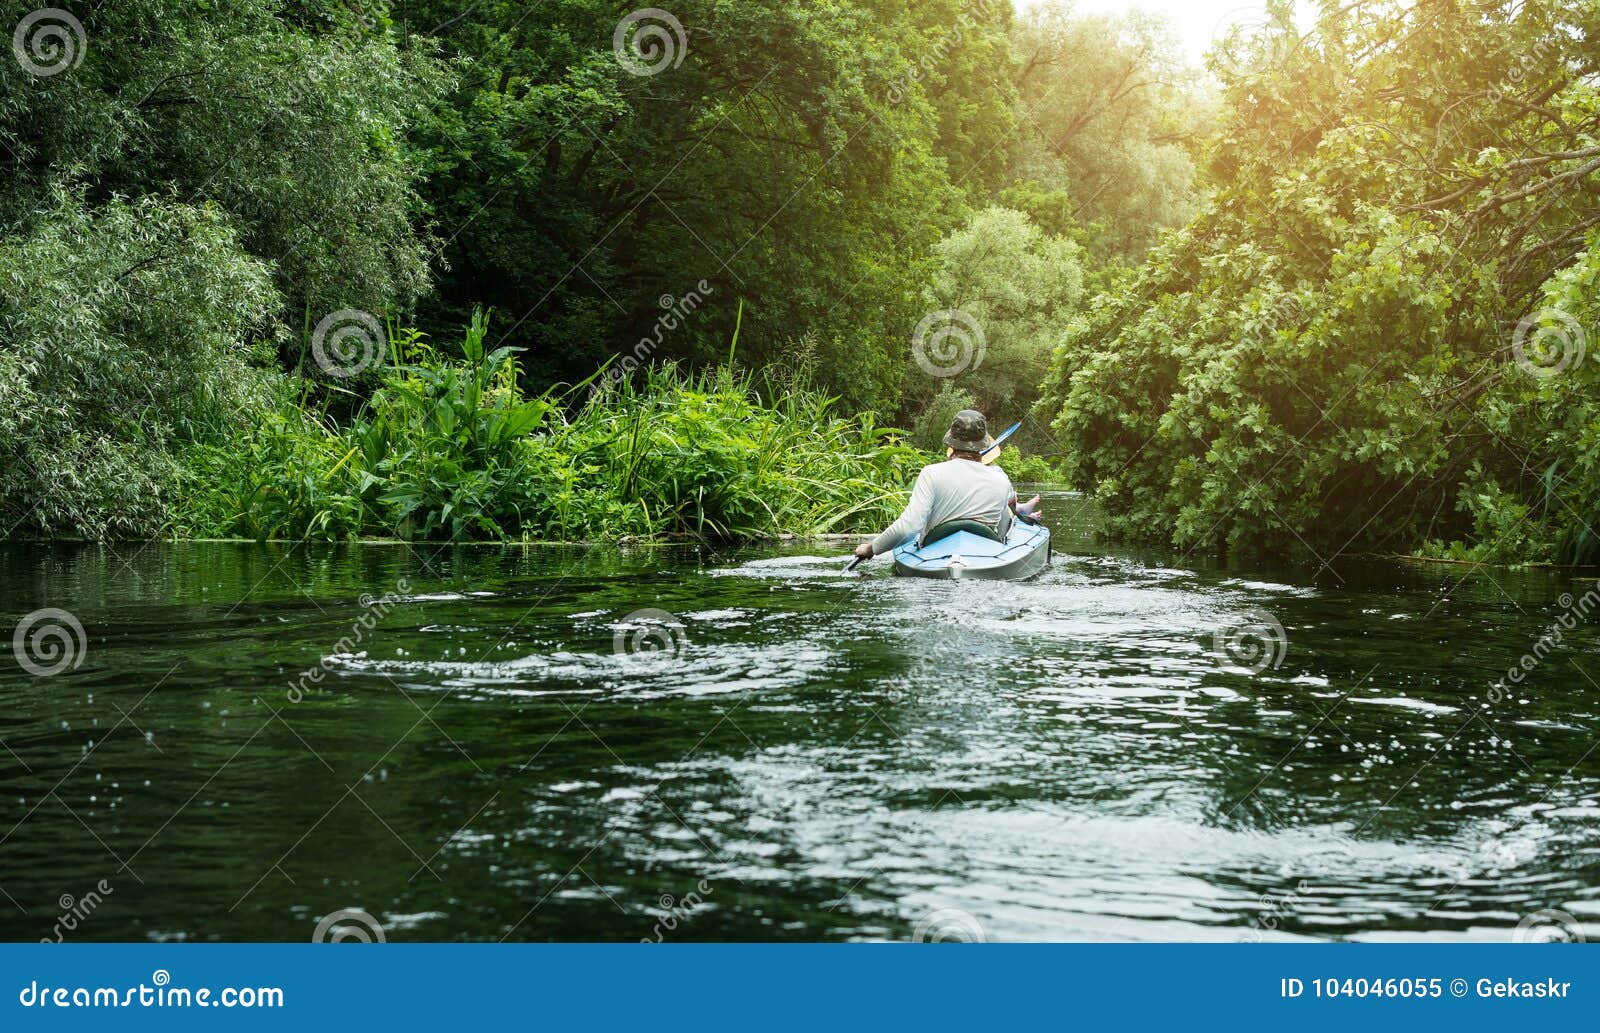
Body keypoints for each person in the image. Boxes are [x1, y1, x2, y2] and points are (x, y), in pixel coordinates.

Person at [853, 410, 1042, 561]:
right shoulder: (1001, 479)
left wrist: (871, 548)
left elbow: (908, 528)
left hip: (933, 557)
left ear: (951, 444)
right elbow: (1007, 521)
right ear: (984, 446)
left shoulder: (931, 473)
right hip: (984, 556)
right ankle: (1025, 511)